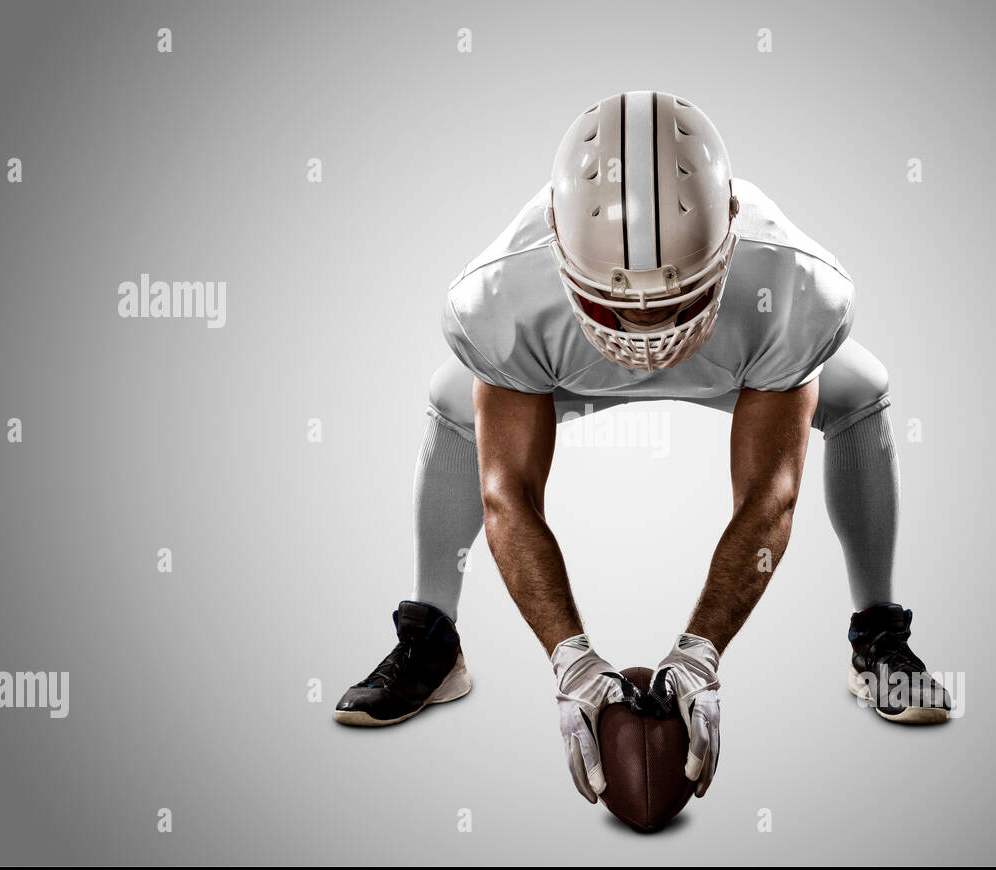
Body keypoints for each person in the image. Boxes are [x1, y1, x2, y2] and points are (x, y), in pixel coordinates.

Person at [334, 91, 951, 805]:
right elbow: (511, 497)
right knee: (453, 405)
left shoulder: (790, 281)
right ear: (558, 249)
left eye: (675, 301)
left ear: (732, 241)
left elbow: (768, 498)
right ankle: (433, 643)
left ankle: (877, 636)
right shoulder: (503, 293)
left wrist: (700, 656)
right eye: (616, 302)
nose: (645, 329)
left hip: (737, 358)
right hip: (567, 368)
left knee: (862, 391)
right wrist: (571, 660)